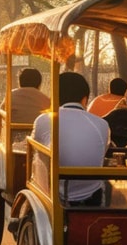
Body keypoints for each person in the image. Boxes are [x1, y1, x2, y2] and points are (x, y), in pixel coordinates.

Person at [30, 72, 110, 206]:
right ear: (85, 99)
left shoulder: (43, 120)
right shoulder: (102, 124)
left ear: (55, 95)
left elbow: (36, 150)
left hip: (51, 192)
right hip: (91, 193)